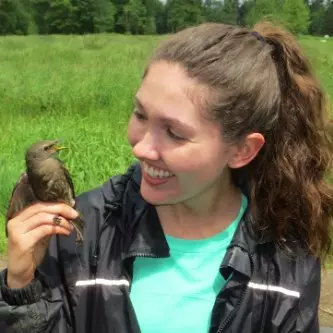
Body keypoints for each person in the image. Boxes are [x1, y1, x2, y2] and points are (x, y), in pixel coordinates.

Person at [0, 21, 332, 333]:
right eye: (140, 114)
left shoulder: (286, 258)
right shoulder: (83, 228)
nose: (141, 148)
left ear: (242, 150)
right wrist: (21, 287)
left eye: (174, 132)